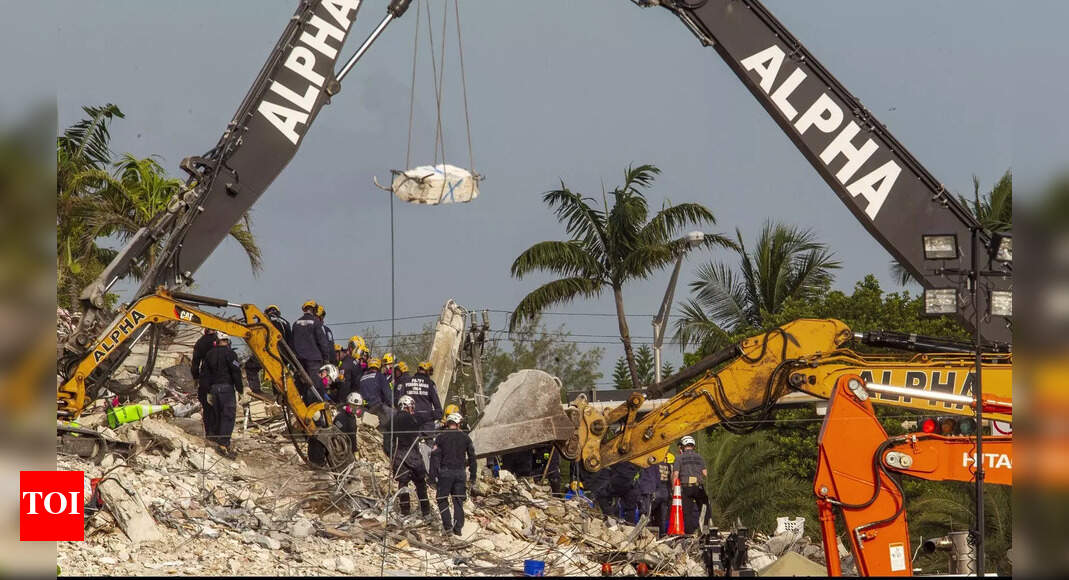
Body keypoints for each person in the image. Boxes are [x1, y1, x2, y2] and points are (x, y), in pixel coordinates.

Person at [429, 411, 477, 537]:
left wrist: (432, 477)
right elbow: (472, 457)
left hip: (445, 473)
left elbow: (434, 458)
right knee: (458, 500)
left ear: (448, 423)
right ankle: (458, 528)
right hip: (460, 473)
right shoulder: (466, 438)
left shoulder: (440, 438)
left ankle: (448, 527)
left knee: (442, 499)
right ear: (458, 423)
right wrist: (473, 476)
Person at [386, 395, 432, 520]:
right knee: (421, 484)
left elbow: (386, 442)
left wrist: (392, 454)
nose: (413, 410)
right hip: (413, 456)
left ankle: (405, 511)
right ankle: (426, 512)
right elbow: (419, 432)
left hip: (398, 457)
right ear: (407, 406)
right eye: (412, 407)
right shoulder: (413, 419)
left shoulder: (391, 421)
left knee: (403, 485)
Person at [199, 332, 245, 458]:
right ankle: (223, 444)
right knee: (228, 416)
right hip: (226, 389)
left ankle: (214, 438)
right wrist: (240, 389)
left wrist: (206, 391)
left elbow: (204, 374)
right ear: (227, 341)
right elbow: (236, 372)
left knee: (216, 414)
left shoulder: (209, 354)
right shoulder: (231, 354)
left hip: (213, 389)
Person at [292, 300, 331, 400]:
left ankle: (302, 405)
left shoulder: (296, 323)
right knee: (316, 386)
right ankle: (316, 406)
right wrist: (326, 358)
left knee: (301, 385)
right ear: (314, 310)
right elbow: (322, 342)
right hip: (314, 360)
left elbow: (292, 343)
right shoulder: (316, 323)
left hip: (299, 361)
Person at [671, 435, 709, 534]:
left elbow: (675, 474)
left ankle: (689, 534)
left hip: (686, 488)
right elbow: (705, 473)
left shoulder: (679, 458)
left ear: (683, 446)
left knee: (687, 513)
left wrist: (673, 488)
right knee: (705, 509)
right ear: (693, 446)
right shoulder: (699, 457)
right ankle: (706, 531)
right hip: (698, 487)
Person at [398, 361, 443, 433]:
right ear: (428, 372)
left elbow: (399, 401)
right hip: (426, 423)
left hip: (409, 420)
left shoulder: (406, 381)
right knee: (428, 439)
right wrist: (436, 415)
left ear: (418, 369)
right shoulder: (430, 383)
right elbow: (437, 406)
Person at [639, 452, 674, 536]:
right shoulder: (666, 465)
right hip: (665, 493)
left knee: (647, 515)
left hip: (652, 492)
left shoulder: (649, 462)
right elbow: (670, 479)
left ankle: (647, 536)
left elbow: (652, 478)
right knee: (661, 518)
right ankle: (661, 535)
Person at [190, 329, 218, 435]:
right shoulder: (221, 342)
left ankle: (210, 433)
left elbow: (195, 363)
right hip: (220, 380)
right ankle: (219, 434)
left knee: (207, 407)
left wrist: (195, 377)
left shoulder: (201, 342)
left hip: (206, 379)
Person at [358, 357, 392, 427]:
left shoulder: (362, 377)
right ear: (379, 366)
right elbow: (388, 394)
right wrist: (392, 404)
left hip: (363, 408)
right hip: (377, 408)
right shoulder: (380, 376)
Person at [338, 336, 367, 403]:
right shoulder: (350, 363)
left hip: (352, 399)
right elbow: (345, 385)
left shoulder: (351, 363)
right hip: (351, 400)